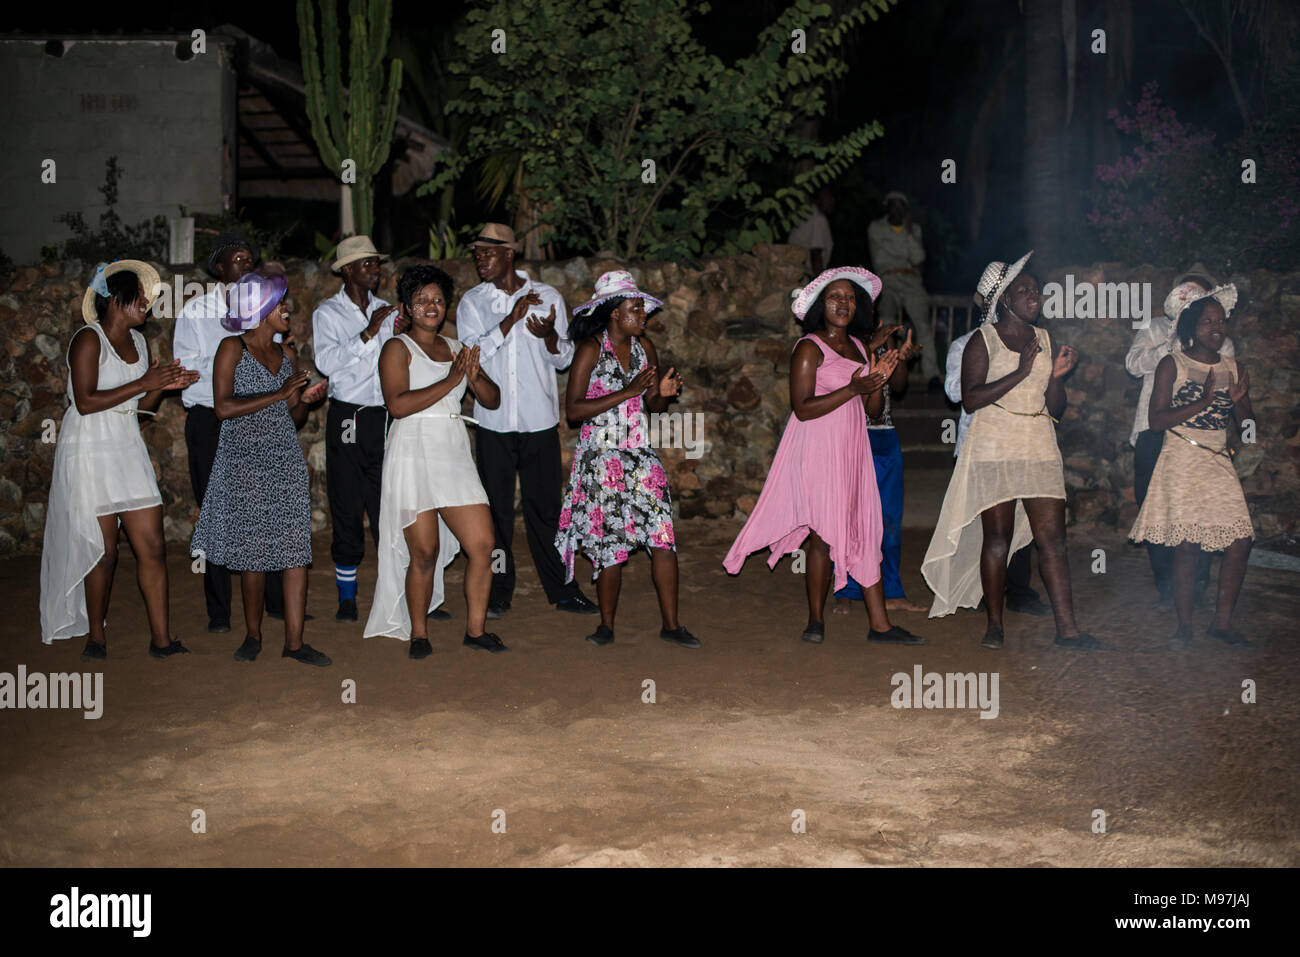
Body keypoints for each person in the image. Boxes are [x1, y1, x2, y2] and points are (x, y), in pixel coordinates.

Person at [724, 267, 922, 645]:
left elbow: (873, 411)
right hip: (817, 448)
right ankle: (815, 619)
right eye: (835, 297)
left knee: (867, 527)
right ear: (820, 304)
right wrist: (853, 388)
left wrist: (877, 381)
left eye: (849, 297)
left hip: (853, 448)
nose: (843, 303)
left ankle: (879, 625)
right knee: (822, 536)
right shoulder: (809, 347)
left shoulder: (862, 348)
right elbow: (802, 408)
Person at [921, 252, 1099, 650]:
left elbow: (1056, 407)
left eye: (1036, 289)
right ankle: (995, 625)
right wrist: (1020, 371)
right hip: (994, 444)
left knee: (1052, 539)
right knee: (997, 538)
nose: (1034, 295)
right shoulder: (981, 342)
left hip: (1038, 442)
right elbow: (969, 400)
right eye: (1024, 290)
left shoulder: (1045, 340)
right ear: (1004, 299)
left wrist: (1056, 378)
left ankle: (1068, 630)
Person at [41, 261, 198, 658]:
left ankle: (162, 640)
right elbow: (86, 401)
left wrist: (164, 387)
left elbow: (139, 406)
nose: (146, 304)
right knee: (104, 551)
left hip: (126, 446)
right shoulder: (87, 340)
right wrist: (145, 382)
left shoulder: (140, 344)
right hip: (90, 448)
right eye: (140, 298)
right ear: (115, 300)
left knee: (154, 546)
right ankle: (96, 635)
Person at [455, 223, 597, 620]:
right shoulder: (472, 302)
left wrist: (551, 336)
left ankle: (563, 589)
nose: (480, 260)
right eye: (477, 254)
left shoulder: (548, 296)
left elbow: (565, 358)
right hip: (493, 424)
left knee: (547, 510)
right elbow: (471, 356)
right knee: (497, 513)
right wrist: (510, 320)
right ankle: (499, 590)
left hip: (538, 422)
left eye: (488, 252)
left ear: (509, 254)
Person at [365, 265, 509, 655]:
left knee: (482, 543)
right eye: (422, 300)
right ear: (407, 308)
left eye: (438, 300)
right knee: (424, 552)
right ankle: (419, 633)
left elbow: (492, 400)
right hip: (412, 450)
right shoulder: (397, 348)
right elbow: (397, 405)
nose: (431, 306)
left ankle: (476, 630)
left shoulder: (457, 348)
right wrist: (450, 381)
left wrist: (474, 376)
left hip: (452, 449)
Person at [191, 267, 330, 666]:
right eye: (279, 303)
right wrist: (279, 393)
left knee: (294, 551)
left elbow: (292, 415)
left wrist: (305, 400)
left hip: (284, 458)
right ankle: (253, 635)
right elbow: (222, 407)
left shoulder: (288, 354)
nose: (286, 309)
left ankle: (295, 642)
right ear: (260, 310)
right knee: (252, 552)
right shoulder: (232, 349)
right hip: (244, 459)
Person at [556, 271, 700, 649]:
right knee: (610, 544)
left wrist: (663, 394)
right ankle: (606, 625)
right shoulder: (591, 349)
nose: (642, 314)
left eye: (642, 308)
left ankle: (671, 624)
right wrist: (627, 392)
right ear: (613, 313)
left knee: (663, 538)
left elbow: (650, 405)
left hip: (639, 454)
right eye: (634, 308)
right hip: (601, 458)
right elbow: (573, 410)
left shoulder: (644, 348)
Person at [173, 230, 289, 631]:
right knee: (217, 514)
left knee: (268, 508)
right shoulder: (196, 313)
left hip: (257, 419)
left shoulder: (263, 311)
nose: (244, 264)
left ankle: (275, 602)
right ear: (218, 267)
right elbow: (186, 373)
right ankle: (219, 612)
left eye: (249, 259)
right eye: (236, 259)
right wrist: (235, 366)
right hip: (211, 418)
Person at [1129, 286, 1254, 645]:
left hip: (1217, 459)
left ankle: (1222, 623)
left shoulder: (1234, 368)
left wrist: (1240, 403)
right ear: (1191, 327)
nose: (1216, 327)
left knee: (1241, 541)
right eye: (1207, 321)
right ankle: (1184, 627)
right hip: (1181, 457)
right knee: (1188, 545)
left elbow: (1248, 431)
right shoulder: (1174, 363)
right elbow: (1156, 420)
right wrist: (1200, 403)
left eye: (1220, 321)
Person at [943, 264, 1050, 617]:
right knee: (985, 527)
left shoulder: (1033, 339)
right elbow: (958, 392)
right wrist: (1011, 372)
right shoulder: (968, 344)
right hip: (978, 442)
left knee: (1017, 523)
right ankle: (976, 591)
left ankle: (1017, 591)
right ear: (997, 301)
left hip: (1021, 441)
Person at [312, 235, 408, 623]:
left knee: (387, 503)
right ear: (347, 270)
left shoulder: (387, 310)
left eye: (376, 264)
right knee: (347, 503)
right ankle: (347, 597)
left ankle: (396, 591)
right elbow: (327, 363)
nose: (375, 270)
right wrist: (368, 333)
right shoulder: (327, 314)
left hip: (384, 415)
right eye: (367, 264)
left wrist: (396, 330)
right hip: (348, 416)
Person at [1126, 271, 1233, 604]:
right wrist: (1172, 344)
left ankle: (1196, 587)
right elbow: (1131, 364)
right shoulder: (1155, 328)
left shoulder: (1221, 340)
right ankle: (1166, 585)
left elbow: (1228, 381)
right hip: (1153, 431)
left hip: (1199, 439)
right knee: (1155, 510)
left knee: (1198, 513)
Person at [831, 321, 928, 616]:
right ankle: (845, 589)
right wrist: (871, 346)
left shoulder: (882, 340)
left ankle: (891, 589)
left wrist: (901, 361)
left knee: (887, 519)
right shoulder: (837, 342)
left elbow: (897, 389)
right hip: (849, 435)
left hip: (883, 433)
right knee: (848, 517)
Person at [868, 191, 941, 388]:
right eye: (894, 205)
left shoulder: (913, 229)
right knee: (887, 322)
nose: (897, 210)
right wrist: (907, 252)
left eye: (902, 206)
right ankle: (886, 370)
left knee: (923, 325)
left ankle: (932, 375)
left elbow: (919, 258)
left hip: (911, 281)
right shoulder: (876, 228)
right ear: (887, 207)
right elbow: (881, 259)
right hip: (888, 279)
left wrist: (907, 234)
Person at [788, 187, 835, 277]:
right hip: (803, 274)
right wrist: (819, 283)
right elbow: (815, 254)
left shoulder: (807, 214)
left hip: (793, 271)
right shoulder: (818, 218)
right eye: (829, 198)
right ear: (818, 199)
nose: (832, 201)